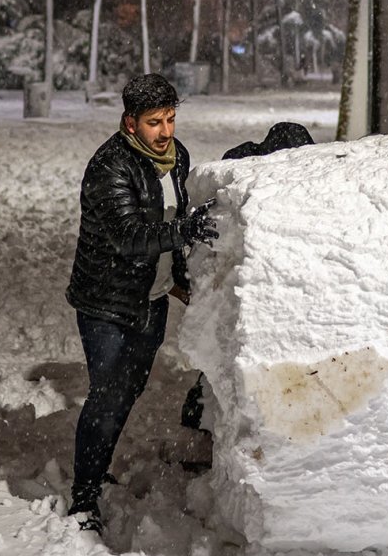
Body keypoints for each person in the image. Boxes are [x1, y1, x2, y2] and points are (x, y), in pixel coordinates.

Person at [65, 73, 218, 532]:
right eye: (155, 122)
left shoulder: (177, 158)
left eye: (170, 119)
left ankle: (99, 468)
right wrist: (183, 232)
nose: (166, 131)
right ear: (130, 122)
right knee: (107, 395)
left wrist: (181, 278)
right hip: (106, 304)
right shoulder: (110, 168)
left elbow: (173, 220)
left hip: (151, 299)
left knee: (128, 392)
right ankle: (84, 496)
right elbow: (130, 237)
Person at [178, 122, 316, 435]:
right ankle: (196, 424)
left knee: (222, 360)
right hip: (228, 284)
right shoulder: (242, 170)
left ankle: (199, 421)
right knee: (217, 358)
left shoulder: (294, 172)